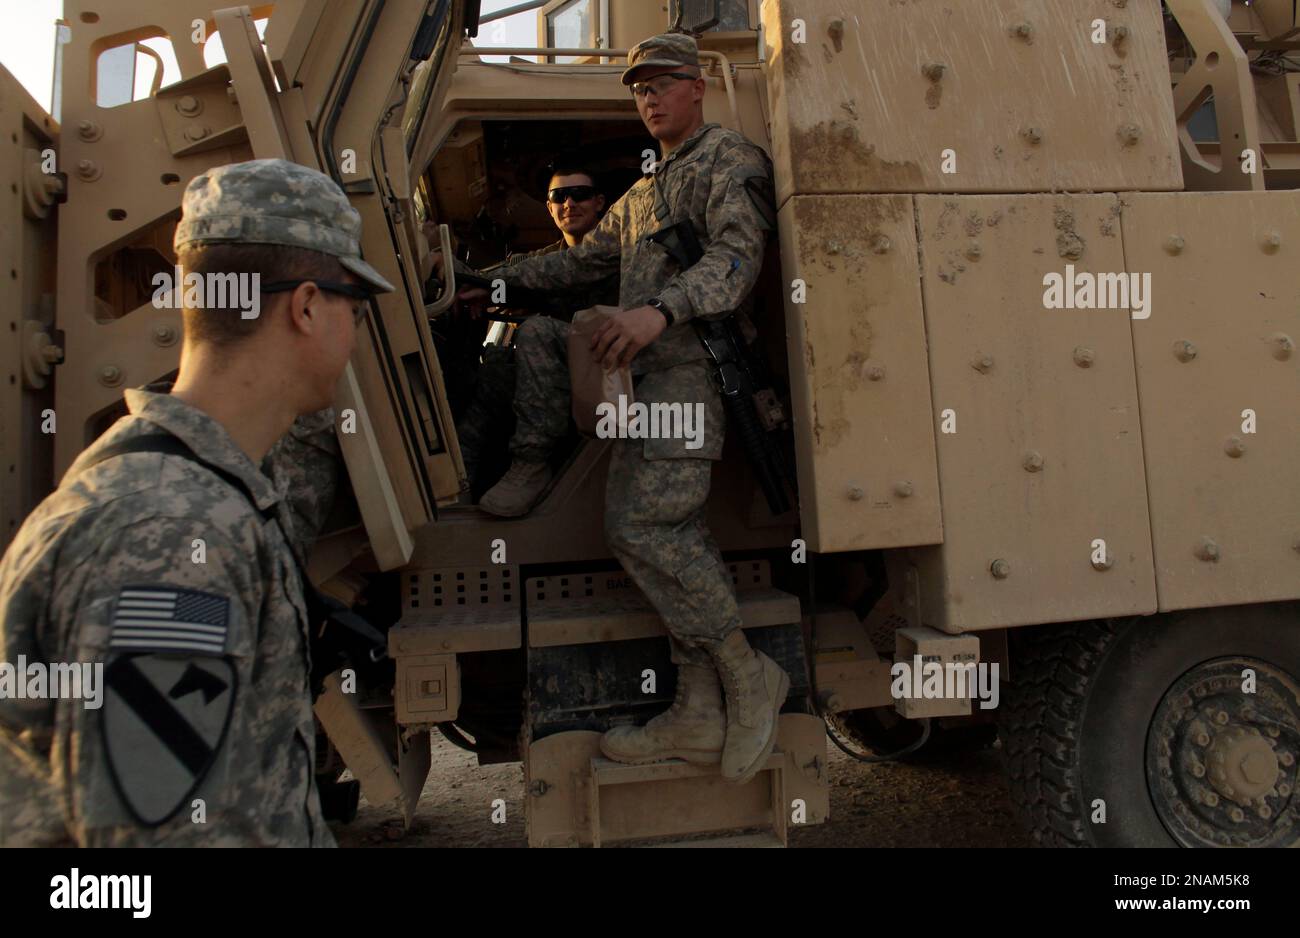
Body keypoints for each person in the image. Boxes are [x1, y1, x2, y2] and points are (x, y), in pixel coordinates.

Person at [0, 158, 394, 846]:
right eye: (353, 311)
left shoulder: (193, 494)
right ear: (305, 307)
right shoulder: (168, 531)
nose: (355, 337)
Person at [437, 33, 788, 784]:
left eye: (662, 83)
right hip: (644, 388)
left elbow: (736, 260)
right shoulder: (647, 190)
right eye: (638, 89)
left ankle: (746, 675)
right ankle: (698, 708)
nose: (649, 98)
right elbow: (576, 261)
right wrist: (483, 278)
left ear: (697, 86)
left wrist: (660, 311)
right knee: (652, 529)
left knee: (646, 525)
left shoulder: (731, 161)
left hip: (694, 374)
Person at [451, 160, 619, 495]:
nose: (569, 204)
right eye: (560, 197)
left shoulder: (614, 245)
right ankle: (457, 489)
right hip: (568, 370)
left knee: (537, 331)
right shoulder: (551, 254)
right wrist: (464, 278)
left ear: (599, 202)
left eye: (580, 194)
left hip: (613, 367)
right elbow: (524, 267)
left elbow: (561, 270)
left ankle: (531, 464)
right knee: (494, 373)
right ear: (550, 207)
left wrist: (489, 283)